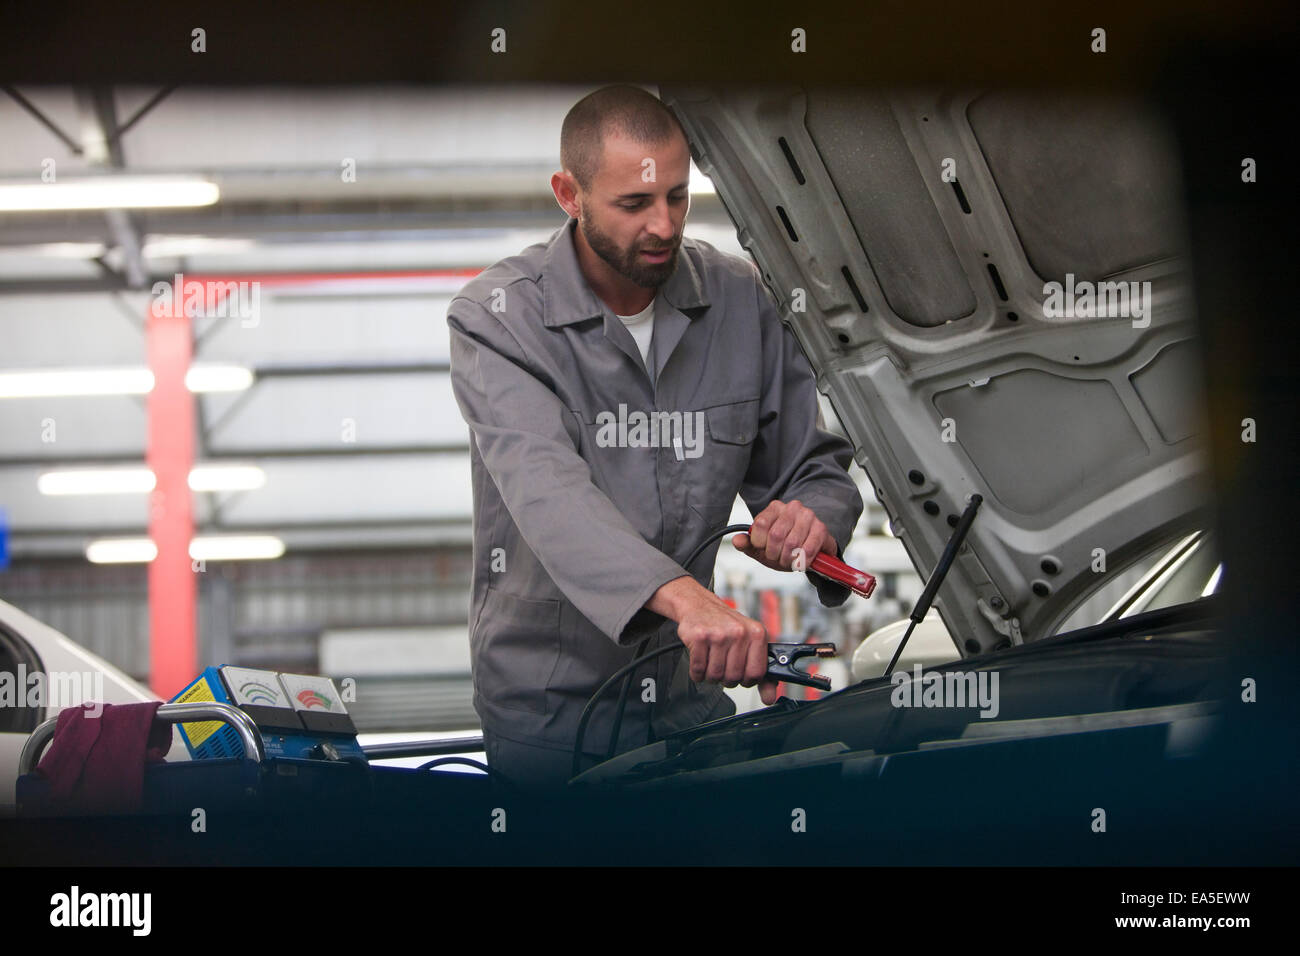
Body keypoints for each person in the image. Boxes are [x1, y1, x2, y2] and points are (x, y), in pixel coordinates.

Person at [447, 84, 863, 790]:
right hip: (549, 715)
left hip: (689, 696)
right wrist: (687, 600)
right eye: (635, 204)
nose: (664, 224)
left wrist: (810, 522)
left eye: (677, 195)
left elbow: (811, 469)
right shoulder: (498, 320)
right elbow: (551, 497)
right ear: (569, 194)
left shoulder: (739, 300)